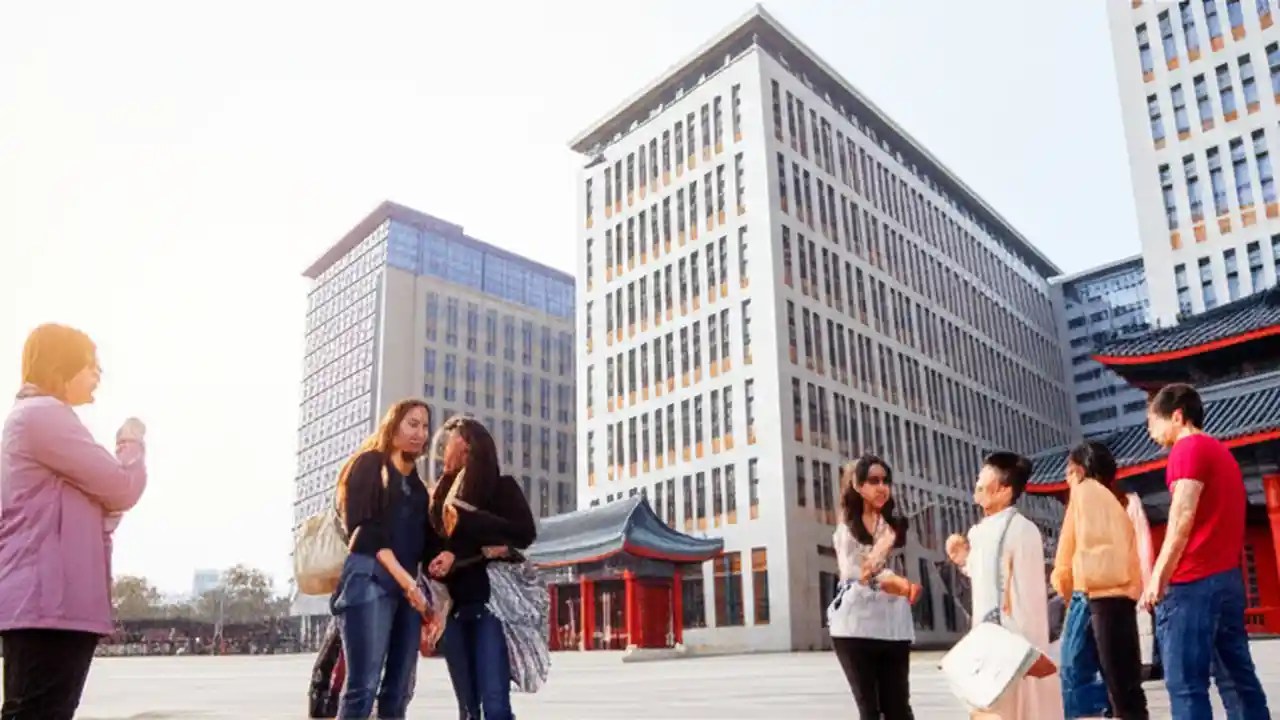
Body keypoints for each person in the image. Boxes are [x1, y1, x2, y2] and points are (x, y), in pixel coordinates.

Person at [0, 324, 148, 720]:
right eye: (91, 366)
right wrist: (131, 445)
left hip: (41, 602)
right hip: (50, 602)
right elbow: (120, 487)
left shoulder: (31, 419)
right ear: (61, 366)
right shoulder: (44, 416)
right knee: (39, 712)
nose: (98, 375)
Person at [1141, 384, 1270, 719]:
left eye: (1153, 422)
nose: (1150, 432)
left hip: (1190, 584)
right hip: (1226, 579)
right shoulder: (1221, 452)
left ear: (1178, 416)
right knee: (1237, 680)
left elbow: (1182, 518)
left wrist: (1158, 576)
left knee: (1186, 684)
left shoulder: (1186, 450)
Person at [426, 417, 536, 720]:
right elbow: (433, 550)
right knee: (468, 710)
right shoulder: (439, 499)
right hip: (453, 611)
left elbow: (524, 534)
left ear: (467, 446)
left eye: (450, 441)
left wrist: (467, 530)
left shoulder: (501, 488)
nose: (443, 449)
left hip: (490, 607)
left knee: (496, 705)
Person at [331, 399, 434, 719]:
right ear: (394, 427)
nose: (420, 432)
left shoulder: (417, 488)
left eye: (425, 426)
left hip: (407, 593)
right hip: (370, 579)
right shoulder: (369, 464)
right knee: (363, 685)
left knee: (399, 689)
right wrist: (408, 583)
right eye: (412, 424)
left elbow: (421, 545)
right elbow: (366, 530)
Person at [946, 452, 1062, 720]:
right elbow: (986, 580)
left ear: (1005, 490)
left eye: (984, 475)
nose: (977, 480)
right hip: (988, 641)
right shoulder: (980, 531)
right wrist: (964, 559)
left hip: (1010, 644)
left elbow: (1029, 599)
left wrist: (1025, 652)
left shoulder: (1022, 530)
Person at [1051, 441, 1147, 720]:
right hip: (1121, 597)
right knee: (1123, 683)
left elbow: (1067, 557)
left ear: (1080, 471)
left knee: (1076, 675)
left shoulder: (1082, 493)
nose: (1067, 478)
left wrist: (1065, 587)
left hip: (1091, 593)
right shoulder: (1117, 502)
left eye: (1068, 471)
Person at [828, 455, 916, 720]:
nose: (882, 487)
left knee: (899, 709)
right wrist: (886, 574)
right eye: (874, 481)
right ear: (857, 485)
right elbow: (857, 573)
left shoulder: (896, 526)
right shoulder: (846, 530)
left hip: (893, 627)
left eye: (886, 481)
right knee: (869, 711)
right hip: (855, 627)